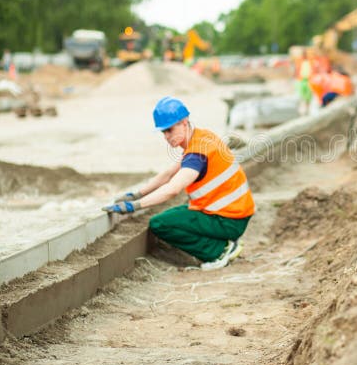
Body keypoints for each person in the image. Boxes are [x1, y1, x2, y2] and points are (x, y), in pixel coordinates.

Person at [102, 97, 255, 270]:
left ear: (184, 122)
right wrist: (136, 194)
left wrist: (134, 206)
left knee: (160, 224)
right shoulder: (202, 137)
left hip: (227, 219)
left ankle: (219, 251)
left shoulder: (196, 155)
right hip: (233, 213)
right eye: (163, 132)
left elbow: (172, 189)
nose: (167, 137)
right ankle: (223, 241)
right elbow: (167, 174)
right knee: (173, 215)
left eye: (169, 130)